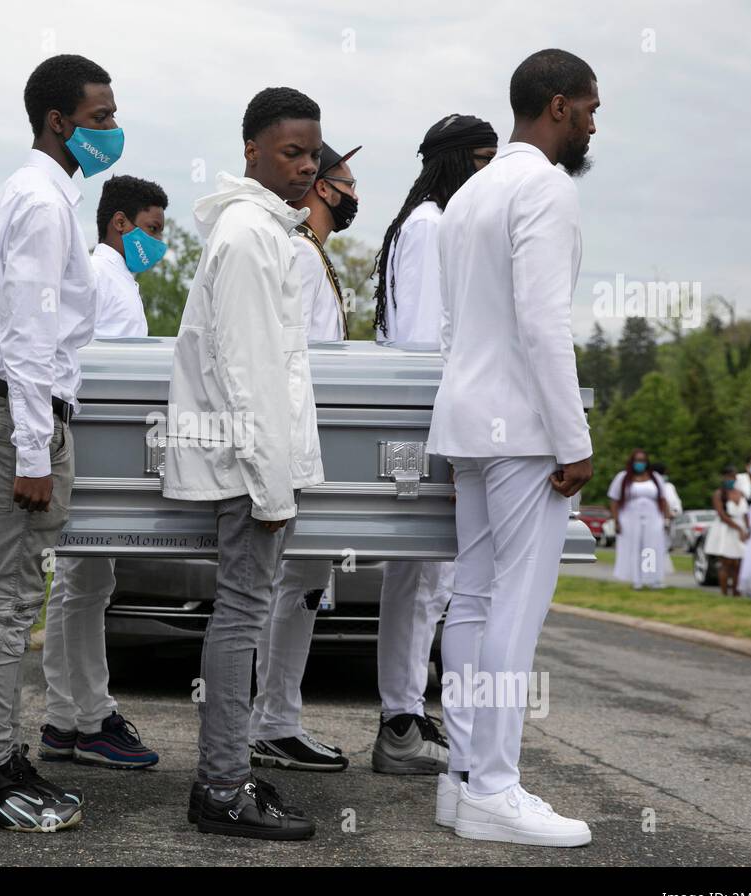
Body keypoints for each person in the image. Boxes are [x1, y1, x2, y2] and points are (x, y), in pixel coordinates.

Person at [428, 48, 598, 847]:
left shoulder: (468, 194)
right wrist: (576, 437)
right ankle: (495, 787)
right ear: (558, 105)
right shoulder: (545, 187)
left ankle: (464, 779)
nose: (594, 123)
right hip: (524, 429)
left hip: (467, 417)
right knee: (514, 611)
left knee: (472, 598)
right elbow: (543, 323)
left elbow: (459, 324)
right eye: (591, 108)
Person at [0, 55, 117, 832]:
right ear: (59, 121)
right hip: (25, 412)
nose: (112, 132)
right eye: (100, 118)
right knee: (14, 598)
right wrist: (32, 450)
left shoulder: (35, 192)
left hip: (27, 408)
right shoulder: (44, 204)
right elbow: (27, 336)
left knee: (17, 596)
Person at [163, 87, 324, 840]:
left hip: (251, 462)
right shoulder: (251, 236)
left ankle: (228, 773)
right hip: (250, 470)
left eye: (313, 154)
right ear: (252, 151)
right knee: (240, 618)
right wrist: (272, 486)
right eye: (291, 152)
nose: (306, 166)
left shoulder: (261, 230)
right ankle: (222, 787)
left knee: (243, 617)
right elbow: (250, 372)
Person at [370, 114, 500, 778]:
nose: (490, 172)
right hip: (424, 425)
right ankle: (400, 718)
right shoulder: (429, 226)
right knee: (421, 577)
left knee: (425, 578)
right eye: (482, 159)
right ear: (452, 162)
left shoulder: (428, 223)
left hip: (430, 422)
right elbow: (425, 346)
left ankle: (405, 713)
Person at [38, 174, 167, 770]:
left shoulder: (115, 279)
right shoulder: (102, 279)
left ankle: (66, 719)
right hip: (95, 449)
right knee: (86, 585)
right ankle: (91, 719)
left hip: (91, 448)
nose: (158, 242)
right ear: (119, 223)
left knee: (80, 587)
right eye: (152, 229)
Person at [246, 141, 358, 774]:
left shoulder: (311, 254)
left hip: (310, 438)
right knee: (294, 583)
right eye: (346, 184)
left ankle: (276, 718)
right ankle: (272, 722)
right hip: (298, 440)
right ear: (323, 187)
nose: (352, 197)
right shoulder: (299, 254)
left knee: (303, 585)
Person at [608, 449, 671, 589]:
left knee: (651, 548)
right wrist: (616, 520)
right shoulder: (623, 478)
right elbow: (614, 500)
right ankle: (637, 579)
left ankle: (652, 578)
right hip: (630, 518)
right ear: (632, 462)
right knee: (634, 547)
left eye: (642, 461)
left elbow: (663, 499)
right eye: (637, 460)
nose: (640, 464)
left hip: (653, 517)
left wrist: (666, 519)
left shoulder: (655, 478)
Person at [703, 466, 748, 596]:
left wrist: (745, 529)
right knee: (726, 563)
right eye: (728, 477)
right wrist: (738, 528)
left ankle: (736, 591)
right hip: (726, 528)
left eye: (733, 477)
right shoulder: (719, 494)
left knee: (738, 563)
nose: (731, 479)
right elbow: (722, 515)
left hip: (740, 527)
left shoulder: (741, 493)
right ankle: (724, 592)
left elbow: (745, 514)